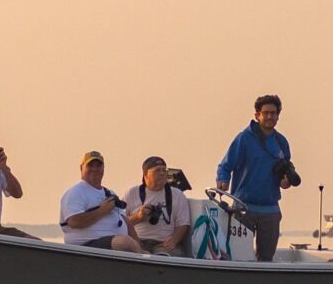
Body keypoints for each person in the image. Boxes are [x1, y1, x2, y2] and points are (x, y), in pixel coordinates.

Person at [214, 93, 299, 262]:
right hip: (243, 207)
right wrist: (223, 180)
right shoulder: (244, 138)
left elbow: (285, 171)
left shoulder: (281, 142)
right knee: (239, 256)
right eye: (266, 113)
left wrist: (286, 181)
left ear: (278, 116)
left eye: (273, 113)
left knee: (266, 258)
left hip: (270, 208)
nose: (270, 117)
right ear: (257, 115)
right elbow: (225, 165)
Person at [121, 156, 197, 255]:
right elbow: (121, 221)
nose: (162, 173)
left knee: (164, 256)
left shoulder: (177, 195)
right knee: (125, 250)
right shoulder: (131, 193)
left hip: (164, 243)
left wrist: (174, 239)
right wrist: (139, 215)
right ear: (145, 174)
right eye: (157, 170)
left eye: (164, 170)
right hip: (138, 240)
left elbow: (183, 224)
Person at [59, 151, 134, 250]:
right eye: (90, 165)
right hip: (87, 247)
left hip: (112, 244)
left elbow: (127, 223)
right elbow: (74, 221)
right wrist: (102, 211)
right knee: (124, 242)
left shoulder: (110, 193)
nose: (94, 169)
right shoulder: (75, 192)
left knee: (136, 246)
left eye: (98, 166)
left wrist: (140, 249)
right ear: (81, 168)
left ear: (103, 169)